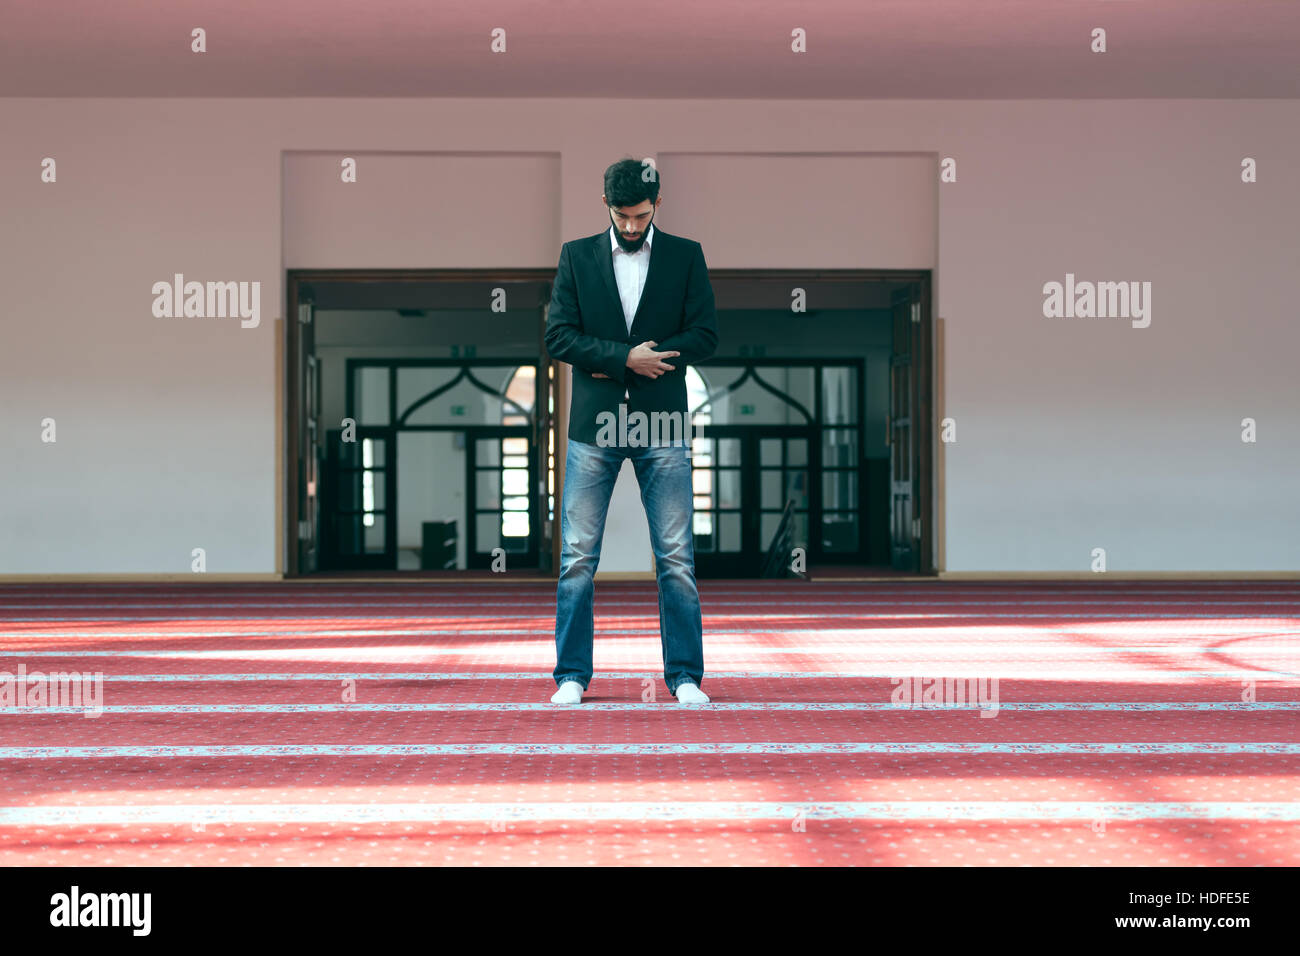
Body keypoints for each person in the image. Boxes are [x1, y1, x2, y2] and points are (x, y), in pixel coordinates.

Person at [544, 157, 719, 705]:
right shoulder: (576, 256)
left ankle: (685, 676)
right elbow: (558, 337)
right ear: (607, 207)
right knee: (577, 555)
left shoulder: (686, 256)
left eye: (640, 216)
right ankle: (571, 676)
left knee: (675, 555)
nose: (630, 226)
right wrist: (625, 359)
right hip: (594, 423)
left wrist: (648, 360)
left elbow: (706, 335)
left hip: (662, 419)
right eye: (622, 216)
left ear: (657, 205)